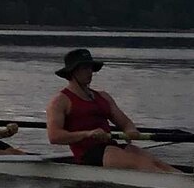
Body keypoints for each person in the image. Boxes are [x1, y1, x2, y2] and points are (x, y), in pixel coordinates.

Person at [45, 48, 180, 172]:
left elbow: (125, 123)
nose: (90, 72)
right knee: (142, 164)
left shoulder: (103, 96)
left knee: (156, 162)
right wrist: (87, 134)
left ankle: (187, 180)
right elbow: (54, 136)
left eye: (91, 68)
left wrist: (130, 130)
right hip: (89, 154)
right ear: (73, 72)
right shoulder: (60, 101)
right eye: (85, 68)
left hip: (111, 147)